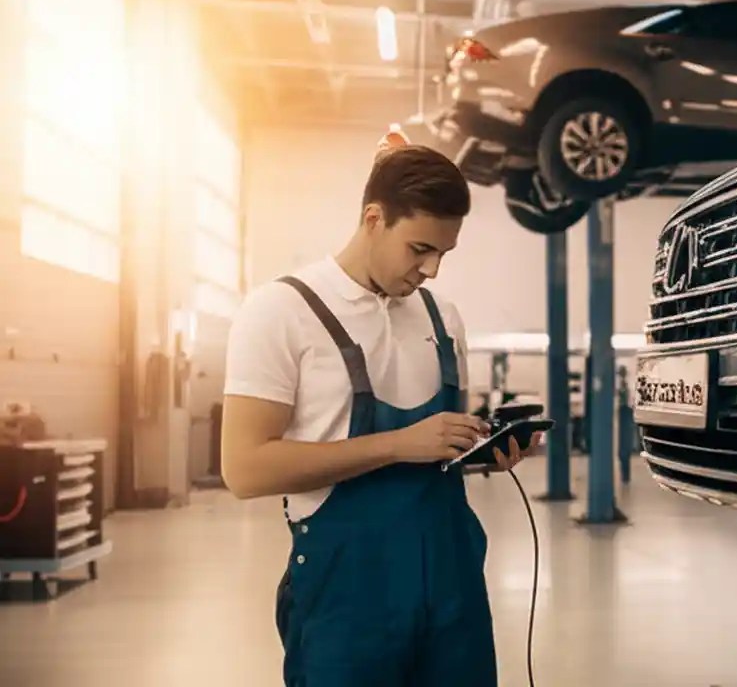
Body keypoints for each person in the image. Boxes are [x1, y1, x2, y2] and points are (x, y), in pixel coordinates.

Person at [219, 137, 539, 686]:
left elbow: (432, 456)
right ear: (374, 218)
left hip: (452, 584)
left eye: (444, 253)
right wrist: (398, 443)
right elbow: (244, 470)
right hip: (348, 597)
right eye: (419, 249)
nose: (432, 270)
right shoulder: (281, 311)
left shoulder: (444, 319)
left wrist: (486, 451)